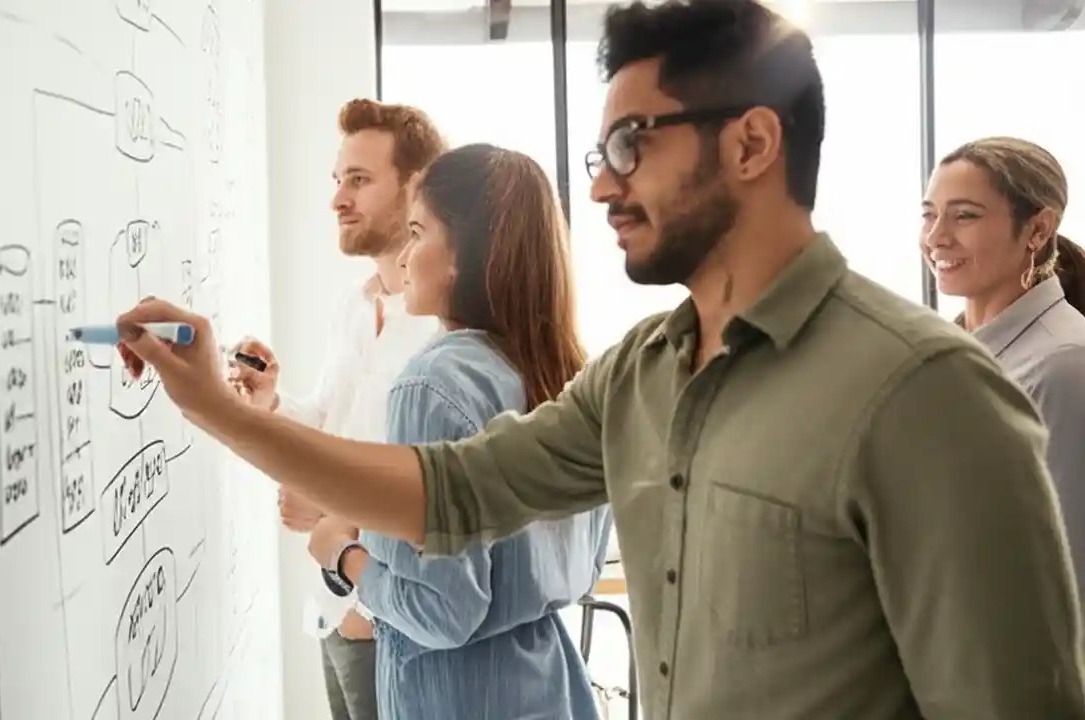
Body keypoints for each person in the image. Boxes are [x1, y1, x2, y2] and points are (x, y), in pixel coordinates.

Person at [116, 1, 1085, 717]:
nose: (603, 189)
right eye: (598, 156)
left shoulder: (931, 394)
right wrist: (219, 408)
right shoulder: (641, 373)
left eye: (630, 144)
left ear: (751, 143)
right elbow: (447, 490)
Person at [295, 143, 612, 719]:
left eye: (418, 234)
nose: (405, 257)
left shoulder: (431, 384)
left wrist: (343, 555)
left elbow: (443, 611)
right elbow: (583, 566)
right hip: (552, 689)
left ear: (464, 256)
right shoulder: (570, 372)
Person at [232, 98, 446, 720]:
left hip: (400, 633)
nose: (337, 200)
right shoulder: (354, 306)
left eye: (358, 180)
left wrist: (332, 510)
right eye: (337, 179)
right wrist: (272, 403)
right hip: (334, 615)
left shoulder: (446, 328)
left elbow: (443, 486)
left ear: (414, 188)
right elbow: (329, 425)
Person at [922, 135, 1085, 601]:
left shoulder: (1063, 365)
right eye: (929, 214)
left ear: (1038, 230)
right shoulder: (944, 354)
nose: (936, 237)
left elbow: (1064, 574)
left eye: (965, 215)